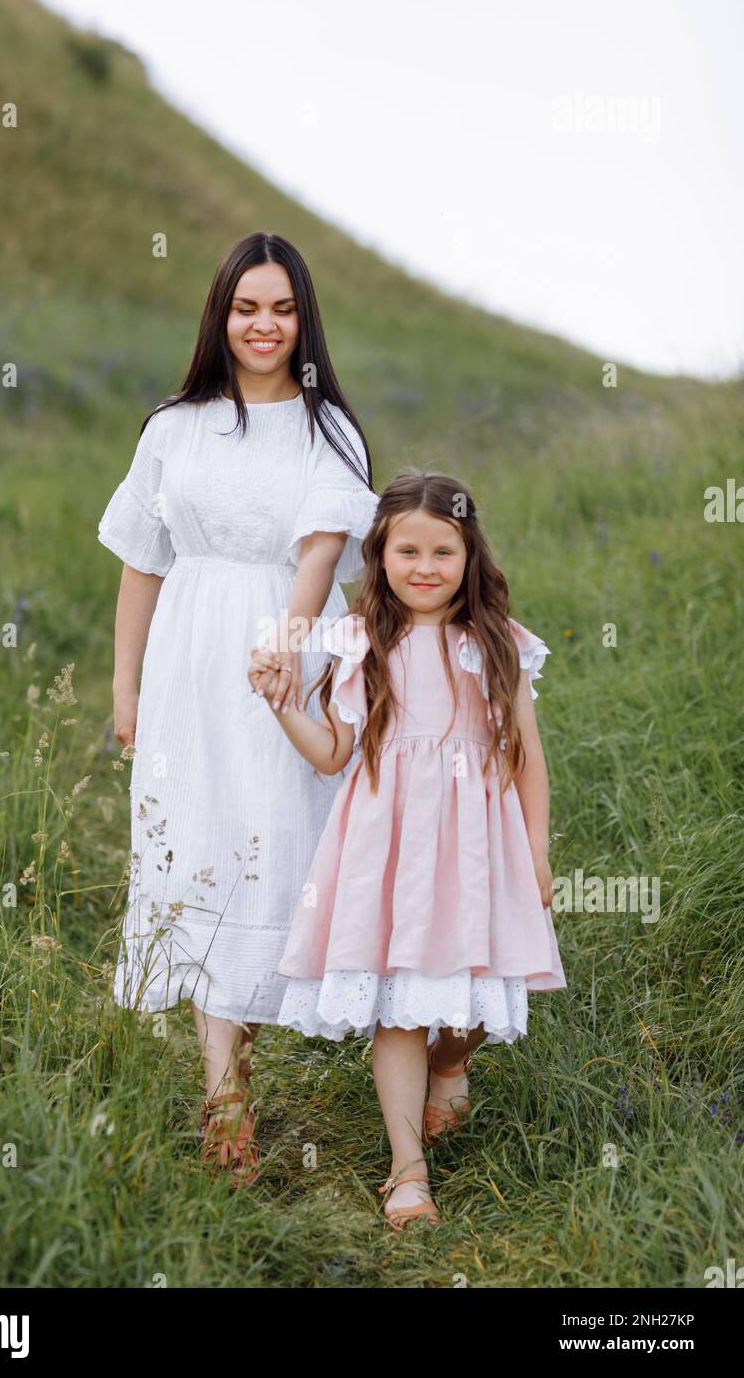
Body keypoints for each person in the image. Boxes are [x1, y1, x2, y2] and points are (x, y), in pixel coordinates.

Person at [98, 232, 379, 1185]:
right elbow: (143, 561)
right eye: (248, 307)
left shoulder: (325, 429)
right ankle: (226, 1100)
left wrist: (289, 644)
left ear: (305, 320)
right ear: (222, 314)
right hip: (186, 656)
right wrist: (125, 684)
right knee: (201, 848)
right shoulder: (173, 427)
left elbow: (318, 552)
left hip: (282, 654)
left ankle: (424, 1055)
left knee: (280, 852)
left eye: (283, 308)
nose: (265, 325)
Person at [248, 469, 566, 1228]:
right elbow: (333, 755)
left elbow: (526, 755)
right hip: (387, 844)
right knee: (399, 1006)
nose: (424, 568)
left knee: (476, 994)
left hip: (477, 844)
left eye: (443, 552)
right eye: (407, 552)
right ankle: (406, 1171)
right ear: (379, 558)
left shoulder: (497, 644)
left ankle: (451, 1063)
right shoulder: (363, 642)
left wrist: (538, 845)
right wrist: (283, 706)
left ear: (469, 554)